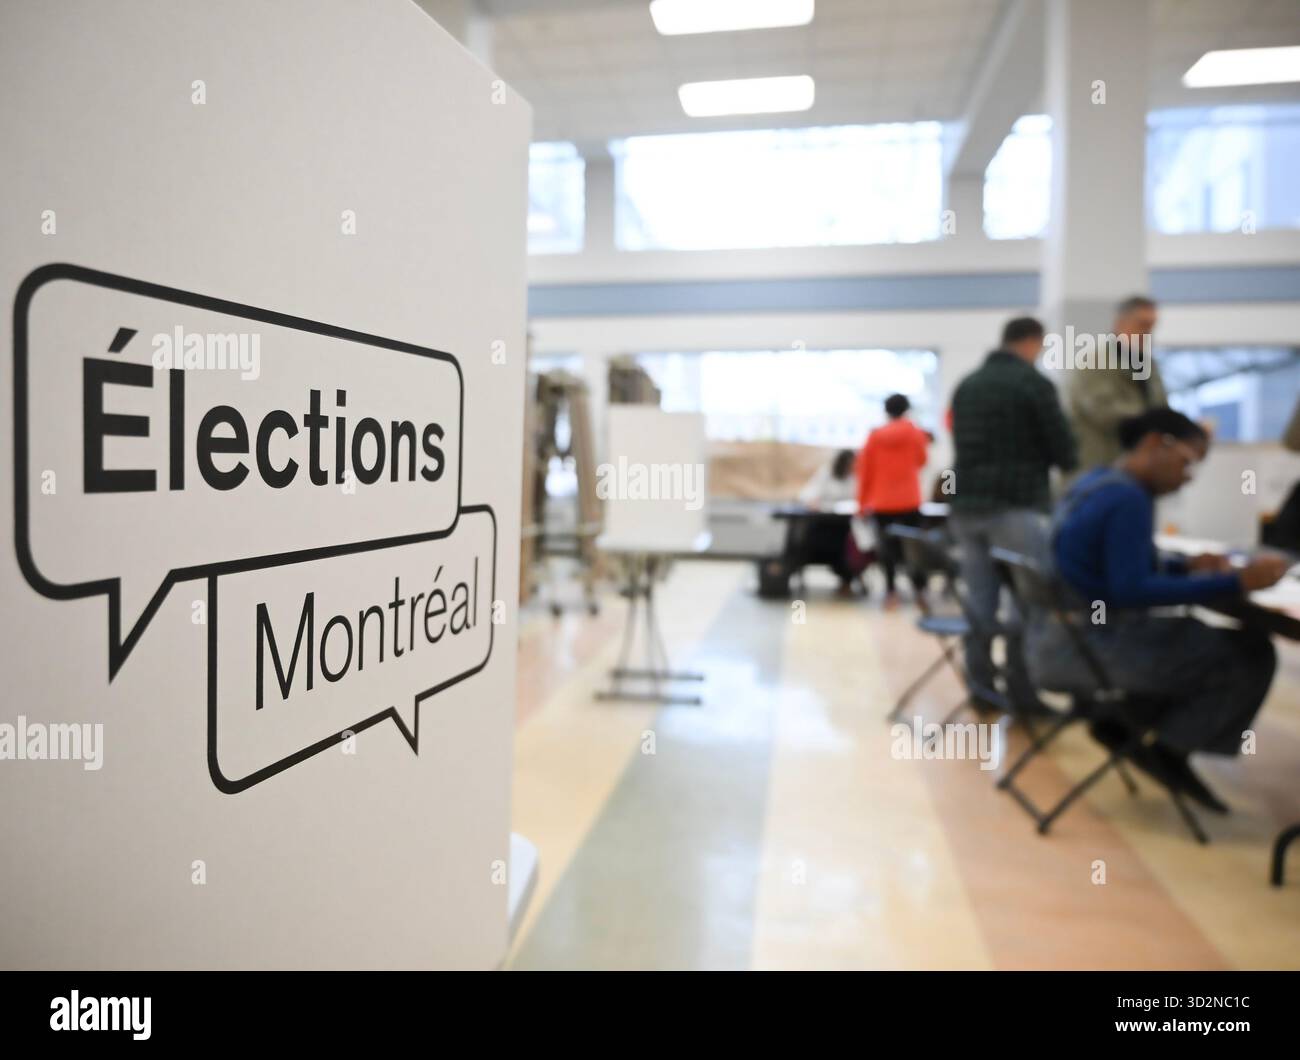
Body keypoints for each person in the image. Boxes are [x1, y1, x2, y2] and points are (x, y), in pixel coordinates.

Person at [1028, 406, 1288, 811]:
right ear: (1154, 444)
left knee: (1196, 638)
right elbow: (1131, 590)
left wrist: (1184, 566)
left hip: (1054, 639)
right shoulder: (1129, 498)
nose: (1187, 478)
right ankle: (1169, 750)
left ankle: (1122, 724)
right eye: (1187, 462)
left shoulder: (1095, 483)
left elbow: (1110, 568)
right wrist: (1237, 582)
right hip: (1089, 649)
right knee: (1250, 651)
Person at [950, 316, 1078, 712]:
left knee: (980, 602)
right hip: (1017, 505)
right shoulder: (1034, 384)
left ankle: (982, 687)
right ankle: (1024, 692)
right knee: (1027, 601)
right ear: (1032, 342)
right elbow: (1064, 450)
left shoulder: (967, 386)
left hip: (967, 508)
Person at [1067, 295, 1168, 474]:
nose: (1147, 332)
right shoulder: (1095, 361)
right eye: (1142, 325)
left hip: (1138, 465)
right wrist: (1150, 418)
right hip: (1099, 466)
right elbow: (1102, 410)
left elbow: (1160, 405)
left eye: (1151, 326)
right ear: (1121, 323)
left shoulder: (1148, 366)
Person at [856, 394, 929, 608]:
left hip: (882, 502)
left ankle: (891, 593)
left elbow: (865, 473)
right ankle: (920, 590)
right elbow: (922, 461)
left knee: (887, 550)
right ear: (907, 409)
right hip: (910, 500)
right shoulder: (916, 433)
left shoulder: (875, 436)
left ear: (886, 411)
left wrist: (861, 505)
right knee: (914, 547)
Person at [792, 449, 865, 595]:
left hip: (846, 525)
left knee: (852, 545)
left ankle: (847, 580)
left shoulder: (858, 477)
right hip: (824, 522)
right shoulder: (826, 473)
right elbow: (808, 494)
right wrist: (811, 501)